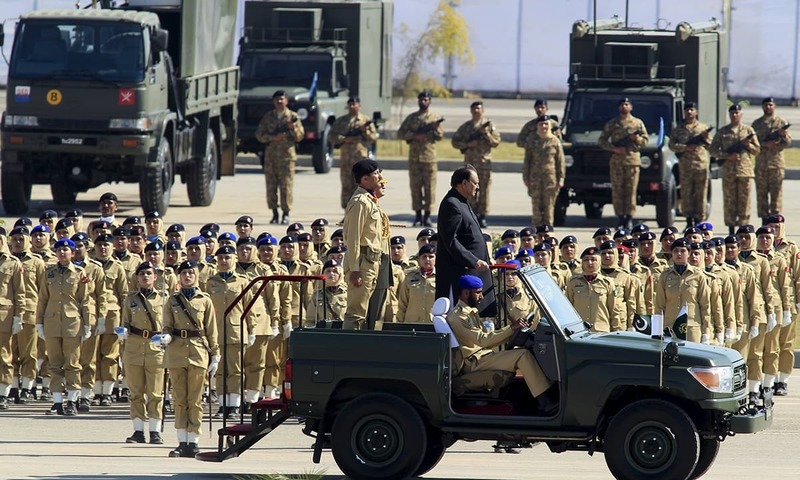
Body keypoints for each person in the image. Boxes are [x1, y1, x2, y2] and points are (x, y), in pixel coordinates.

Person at [446, 274, 556, 415]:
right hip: (474, 361)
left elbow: (487, 341)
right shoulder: (458, 316)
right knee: (523, 355)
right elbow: (483, 340)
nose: (481, 296)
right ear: (466, 293)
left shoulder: (470, 312)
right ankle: (545, 402)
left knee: (524, 351)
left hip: (483, 356)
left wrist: (513, 331)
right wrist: (512, 328)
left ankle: (544, 396)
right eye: (478, 292)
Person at [162, 260, 220, 458]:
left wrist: (216, 353)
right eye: (184, 273)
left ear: (196, 275)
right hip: (176, 351)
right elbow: (167, 326)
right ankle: (181, 441)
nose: (187, 276)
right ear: (179, 276)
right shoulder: (171, 300)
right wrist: (166, 336)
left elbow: (211, 329)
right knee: (179, 399)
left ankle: (193, 441)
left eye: (191, 272)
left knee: (195, 400)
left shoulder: (205, 300)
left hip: (198, 352)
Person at [36, 239, 92, 416]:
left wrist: (88, 323)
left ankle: (73, 401)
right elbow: (43, 298)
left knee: (73, 364)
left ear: (73, 253)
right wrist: (39, 322)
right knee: (54, 364)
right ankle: (58, 402)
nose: (62, 253)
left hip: (72, 324)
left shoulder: (79, 273)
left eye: (66, 250)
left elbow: (85, 300)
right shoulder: (49, 273)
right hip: (52, 323)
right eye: (59, 250)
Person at [118, 261, 169, 445]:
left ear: (155, 277)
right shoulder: (130, 299)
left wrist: (167, 338)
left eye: (149, 273)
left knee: (155, 393)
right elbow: (125, 321)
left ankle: (155, 431)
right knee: (135, 392)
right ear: (137, 278)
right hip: (134, 347)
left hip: (156, 349)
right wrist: (122, 332)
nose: (145, 277)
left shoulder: (164, 298)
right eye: (142, 274)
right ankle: (138, 431)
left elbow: (169, 324)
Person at [436, 165, 495, 317]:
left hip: (472, 273)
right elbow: (450, 241)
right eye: (475, 183)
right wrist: (473, 260)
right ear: (464, 183)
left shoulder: (461, 201)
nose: (478, 187)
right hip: (459, 275)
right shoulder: (452, 204)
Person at [207, 245, 257, 420]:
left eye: (227, 257)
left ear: (234, 259)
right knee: (220, 371)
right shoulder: (210, 282)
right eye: (220, 258)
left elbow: (249, 307)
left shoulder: (242, 281)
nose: (223, 261)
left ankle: (234, 405)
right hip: (216, 333)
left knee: (236, 370)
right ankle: (223, 404)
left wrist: (252, 329)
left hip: (237, 331)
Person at [342, 160, 390, 330]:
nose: (380, 177)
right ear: (365, 180)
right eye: (376, 174)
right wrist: (354, 269)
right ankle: (350, 351)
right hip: (362, 262)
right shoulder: (360, 202)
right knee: (356, 313)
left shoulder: (370, 200)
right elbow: (353, 238)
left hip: (371, 262)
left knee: (367, 312)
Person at [255, 90, 305, 225]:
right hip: (271, 158)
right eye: (277, 99)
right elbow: (259, 135)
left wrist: (293, 128)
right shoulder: (268, 117)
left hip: (287, 158)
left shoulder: (292, 117)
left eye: (282, 99)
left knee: (286, 187)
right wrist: (272, 137)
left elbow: (300, 136)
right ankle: (274, 214)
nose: (279, 102)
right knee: (271, 187)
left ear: (286, 101)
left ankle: (286, 214)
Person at [598, 98, 649, 230]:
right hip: (617, 162)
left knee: (631, 191)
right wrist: (614, 149)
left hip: (632, 161)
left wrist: (636, 138)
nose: (624, 107)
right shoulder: (613, 123)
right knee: (617, 191)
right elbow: (602, 140)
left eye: (626, 104)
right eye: (621, 104)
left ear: (631, 107)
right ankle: (620, 218)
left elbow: (645, 141)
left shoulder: (638, 123)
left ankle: (629, 218)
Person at [710, 104, 760, 234]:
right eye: (732, 113)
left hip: (745, 171)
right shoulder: (723, 131)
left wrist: (748, 146)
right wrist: (727, 156)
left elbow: (757, 150)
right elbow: (713, 150)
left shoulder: (749, 131)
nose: (735, 115)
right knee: (729, 200)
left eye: (737, 113)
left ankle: (743, 228)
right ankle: (731, 228)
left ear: (741, 114)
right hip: (728, 172)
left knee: (745, 201)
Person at [9, 226, 45, 404]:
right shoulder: (6, 261)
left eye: (21, 239)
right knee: (10, 353)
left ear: (28, 241)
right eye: (15, 239)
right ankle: (13, 387)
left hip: (30, 313)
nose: (17, 242)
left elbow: (43, 290)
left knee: (29, 354)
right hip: (8, 314)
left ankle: (27, 388)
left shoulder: (36, 262)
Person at [451, 101, 501, 228]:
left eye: (479, 109)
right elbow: (455, 142)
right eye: (474, 109)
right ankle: (470, 215)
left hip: (484, 165)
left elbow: (496, 142)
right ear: (471, 111)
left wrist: (486, 134)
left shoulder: (489, 126)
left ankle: (482, 216)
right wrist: (467, 145)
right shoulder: (466, 127)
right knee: (469, 191)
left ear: (483, 110)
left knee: (484, 191)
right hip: (470, 166)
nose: (476, 111)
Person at [397, 90, 444, 227]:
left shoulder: (435, 118)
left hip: (429, 158)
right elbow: (401, 133)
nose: (423, 101)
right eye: (421, 99)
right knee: (416, 188)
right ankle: (418, 216)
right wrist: (413, 136)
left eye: (426, 99)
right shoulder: (412, 118)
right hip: (414, 159)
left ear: (430, 101)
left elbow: (440, 136)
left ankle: (428, 216)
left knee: (430, 188)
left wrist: (435, 129)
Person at [654, 239, 712, 342]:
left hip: (691, 328)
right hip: (669, 327)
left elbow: (705, 305)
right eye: (676, 251)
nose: (679, 254)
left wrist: (706, 331)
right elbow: (659, 306)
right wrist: (656, 331)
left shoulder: (698, 275)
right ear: (672, 253)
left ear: (689, 253)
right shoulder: (665, 276)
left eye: (683, 251)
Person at [329, 96, 379, 209]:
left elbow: (373, 138)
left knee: (361, 187)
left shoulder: (365, 120)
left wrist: (365, 132)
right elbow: (331, 136)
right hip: (346, 160)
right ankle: (347, 212)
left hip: (360, 161)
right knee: (346, 186)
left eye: (354, 104)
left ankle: (361, 210)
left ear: (359, 105)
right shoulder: (341, 121)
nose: (352, 106)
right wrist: (344, 139)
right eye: (350, 104)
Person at [668, 102, 712, 226]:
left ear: (696, 112)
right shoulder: (678, 129)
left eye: (692, 110)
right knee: (686, 194)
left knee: (700, 193)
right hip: (685, 166)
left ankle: (699, 221)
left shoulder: (703, 128)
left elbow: (711, 147)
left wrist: (706, 138)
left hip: (700, 166)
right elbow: (672, 145)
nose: (689, 112)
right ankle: (688, 220)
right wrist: (685, 147)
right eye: (687, 110)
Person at [752, 97, 792, 221]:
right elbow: (752, 142)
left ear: (774, 106)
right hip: (761, 165)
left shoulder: (781, 122)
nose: (768, 107)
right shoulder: (757, 124)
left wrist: (783, 137)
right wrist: (763, 145)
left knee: (776, 195)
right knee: (762, 195)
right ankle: (764, 221)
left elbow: (788, 142)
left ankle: (775, 222)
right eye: (766, 105)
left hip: (776, 164)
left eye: (770, 105)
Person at [565, 247, 621, 332]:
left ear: (599, 261)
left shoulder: (607, 283)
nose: (590, 263)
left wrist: (617, 331)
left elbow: (614, 310)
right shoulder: (573, 282)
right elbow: (568, 308)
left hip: (601, 331)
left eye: (593, 259)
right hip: (579, 331)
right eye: (586, 260)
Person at [522, 116, 565, 226]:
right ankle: (536, 235)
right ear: (537, 126)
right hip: (534, 180)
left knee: (549, 208)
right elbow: (527, 160)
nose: (543, 127)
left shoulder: (554, 141)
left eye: (546, 124)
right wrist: (525, 178)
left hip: (550, 180)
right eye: (541, 124)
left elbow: (560, 161)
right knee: (536, 208)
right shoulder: (532, 140)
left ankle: (548, 234)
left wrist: (561, 179)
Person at [0, 234, 26, 410]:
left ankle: (3, 392)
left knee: (4, 356)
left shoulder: (12, 263)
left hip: (4, 316)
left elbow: (20, 293)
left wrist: (19, 317)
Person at [396, 244, 436, 323]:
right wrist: (399, 325)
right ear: (419, 259)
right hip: (412, 324)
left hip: (433, 324)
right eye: (424, 257)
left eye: (431, 257)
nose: (427, 259)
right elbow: (402, 304)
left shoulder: (441, 278)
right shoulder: (409, 277)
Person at [306, 259, 347, 326]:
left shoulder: (347, 294)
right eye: (328, 271)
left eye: (335, 271)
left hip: (343, 332)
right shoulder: (317, 295)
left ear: (340, 274)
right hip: (323, 333)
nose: (331, 274)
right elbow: (310, 320)